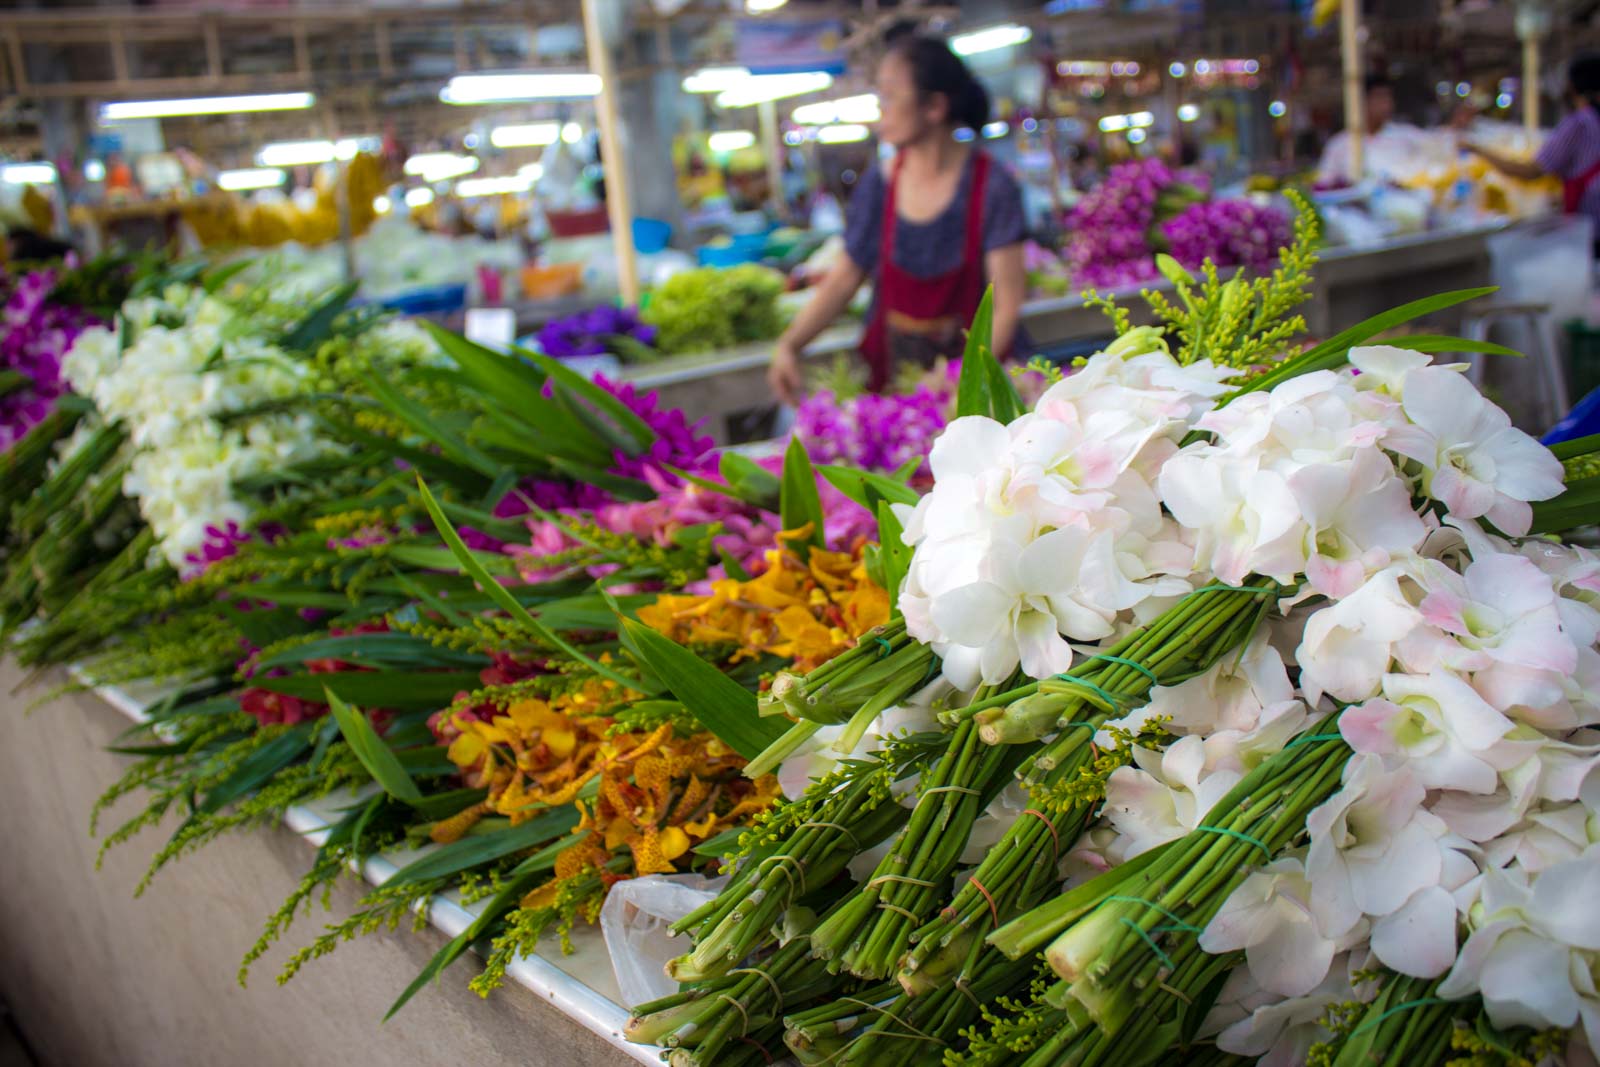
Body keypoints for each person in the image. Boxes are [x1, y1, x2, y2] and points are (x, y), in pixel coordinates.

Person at [767, 31, 1026, 404]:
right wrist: (790, 345)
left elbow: (1005, 305)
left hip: (977, 392)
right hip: (895, 392)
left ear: (934, 107)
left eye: (889, 96)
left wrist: (966, 389)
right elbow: (843, 281)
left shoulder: (993, 187)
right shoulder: (879, 185)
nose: (880, 109)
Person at [1464, 54, 1600, 235]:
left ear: (1573, 87)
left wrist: (1478, 150)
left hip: (1589, 226)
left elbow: (1532, 171)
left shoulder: (1579, 124)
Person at [1316, 74, 1427, 185]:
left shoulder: (1407, 135)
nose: (1386, 104)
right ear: (1361, 102)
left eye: (1388, 98)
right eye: (1379, 98)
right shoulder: (1339, 144)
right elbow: (1324, 183)